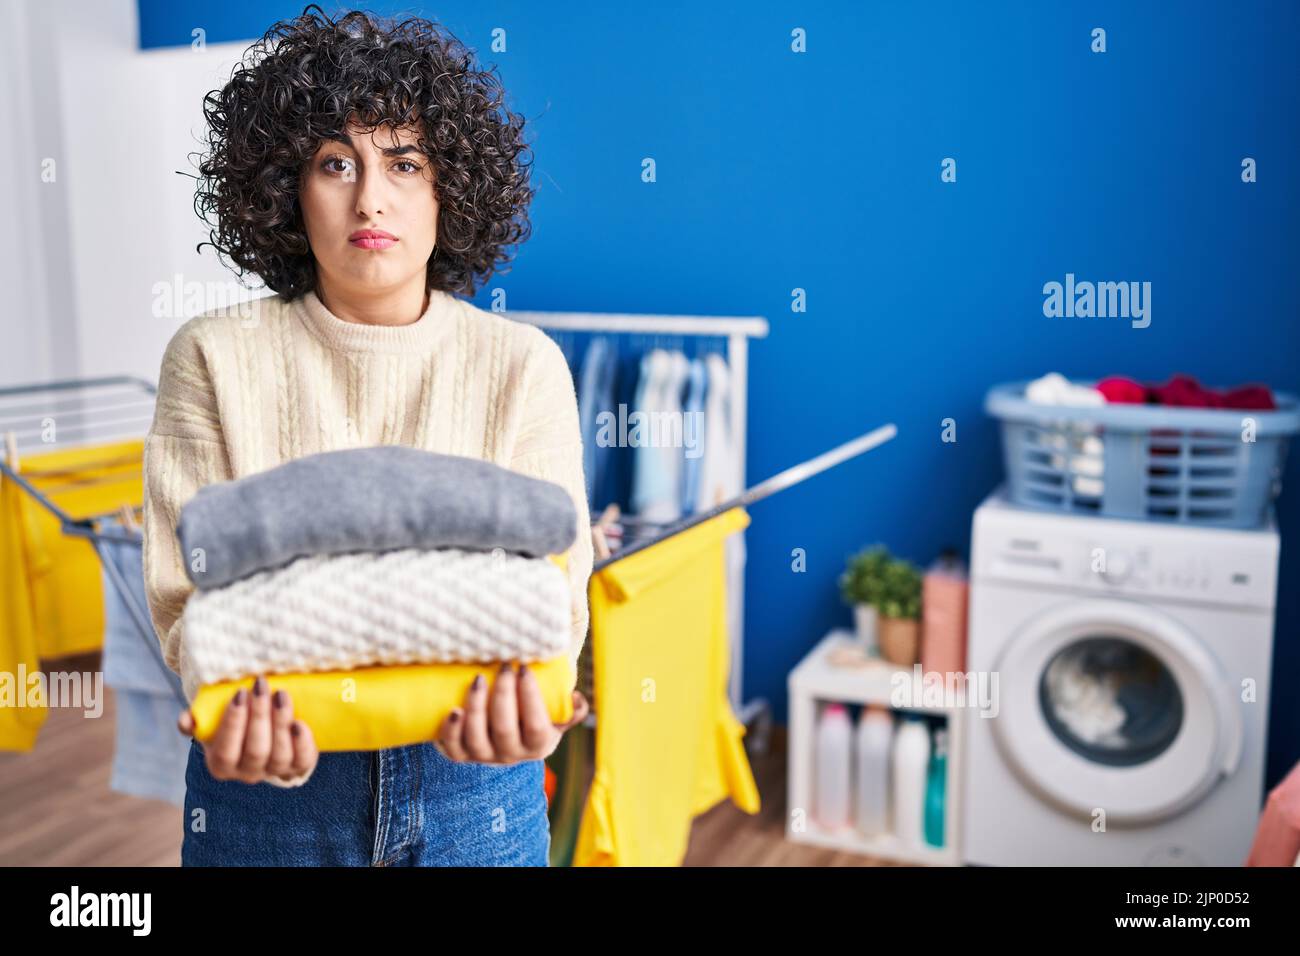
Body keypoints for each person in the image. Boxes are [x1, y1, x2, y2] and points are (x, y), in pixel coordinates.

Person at [141, 5, 593, 866]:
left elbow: (557, 592)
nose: (371, 196)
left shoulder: (521, 365)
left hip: (477, 793)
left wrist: (532, 699)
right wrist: (223, 695)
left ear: (447, 188)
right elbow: (182, 594)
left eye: (405, 161)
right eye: (335, 163)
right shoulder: (211, 358)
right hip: (269, 797)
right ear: (285, 188)